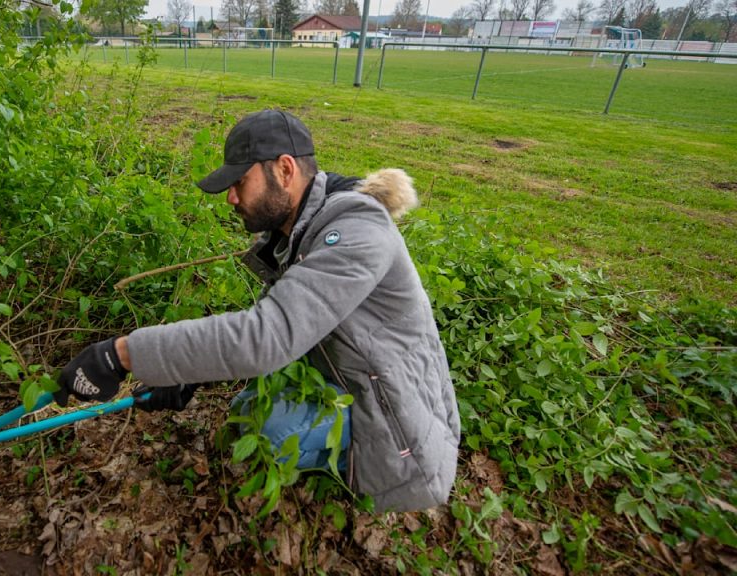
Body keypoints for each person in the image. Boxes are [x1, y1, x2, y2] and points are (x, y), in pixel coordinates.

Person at [54, 109, 460, 512]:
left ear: (284, 170)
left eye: (240, 182)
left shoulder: (357, 233)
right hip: (352, 379)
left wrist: (122, 355)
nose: (231, 197)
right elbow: (291, 320)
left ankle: (360, 475)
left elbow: (269, 336)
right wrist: (186, 377)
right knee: (244, 413)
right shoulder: (298, 232)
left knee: (269, 433)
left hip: (401, 426)